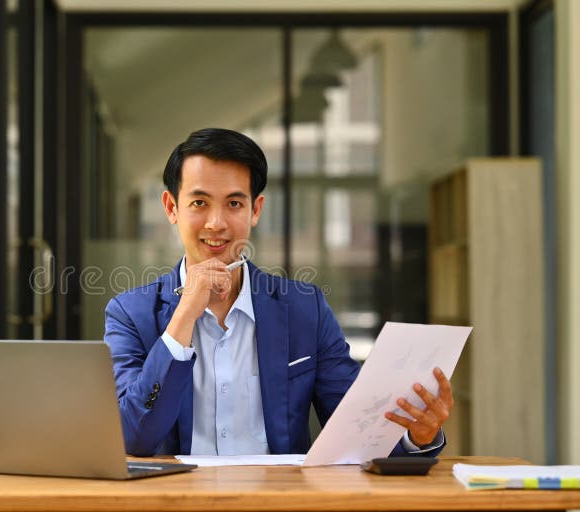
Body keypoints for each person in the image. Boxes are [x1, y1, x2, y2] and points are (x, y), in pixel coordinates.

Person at [104, 127, 452, 461]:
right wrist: (184, 316)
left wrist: (417, 435)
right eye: (199, 203)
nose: (216, 223)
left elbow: (359, 432)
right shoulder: (129, 314)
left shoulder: (305, 310)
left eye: (234, 204)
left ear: (255, 210)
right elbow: (133, 437)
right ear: (171, 207)